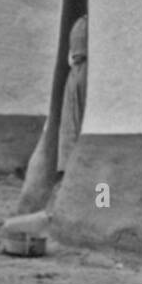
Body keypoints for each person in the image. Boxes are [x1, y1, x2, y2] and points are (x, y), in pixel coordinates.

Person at [57, 15, 88, 173]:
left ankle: (69, 165)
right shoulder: (84, 23)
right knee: (72, 120)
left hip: (79, 71)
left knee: (74, 120)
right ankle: (69, 165)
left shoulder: (83, 22)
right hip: (80, 70)